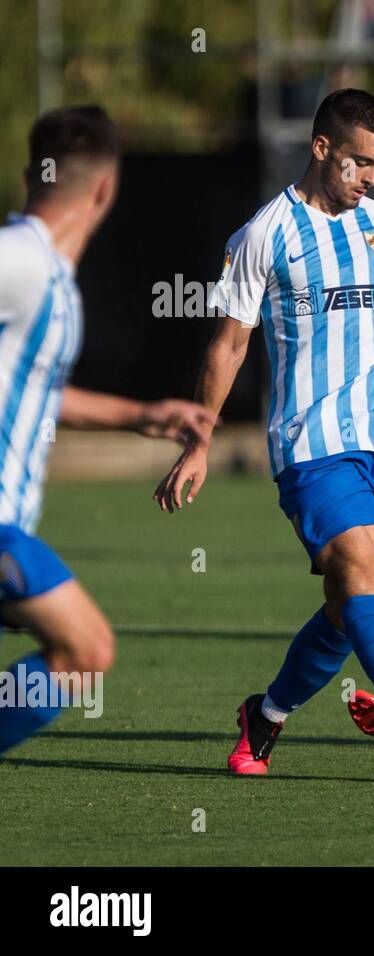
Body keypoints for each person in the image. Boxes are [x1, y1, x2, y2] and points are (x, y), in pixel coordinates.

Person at [154, 89, 374, 775]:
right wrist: (200, 440)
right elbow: (228, 345)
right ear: (321, 149)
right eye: (359, 163)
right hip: (310, 441)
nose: (370, 178)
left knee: (351, 601)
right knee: (360, 573)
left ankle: (266, 716)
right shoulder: (264, 234)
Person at [0, 106, 214, 757]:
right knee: (83, 649)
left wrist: (139, 415)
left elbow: (30, 393)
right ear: (105, 188)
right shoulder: (23, 259)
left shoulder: (51, 278)